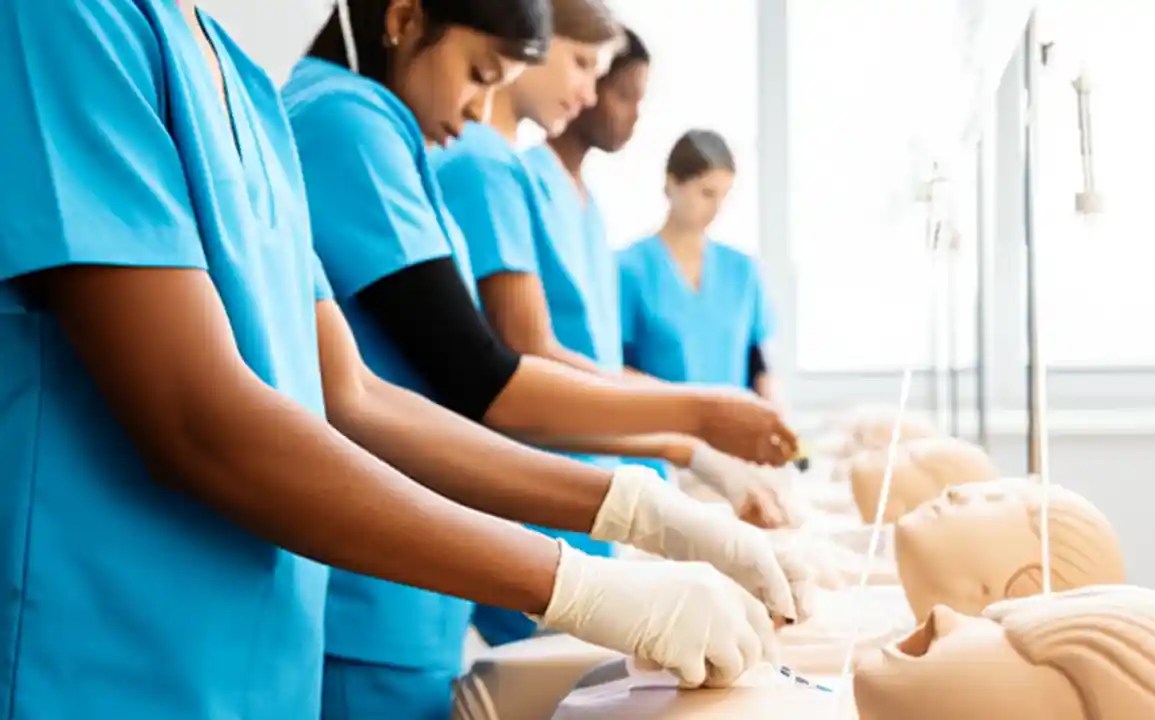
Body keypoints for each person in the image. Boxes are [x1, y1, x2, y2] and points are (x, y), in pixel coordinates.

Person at [0, 1, 795, 716]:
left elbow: (354, 396)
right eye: (479, 76)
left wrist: (641, 510)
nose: (481, 111)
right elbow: (197, 418)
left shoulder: (242, 88)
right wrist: (579, 582)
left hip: (264, 667)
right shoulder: (66, 22)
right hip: (103, 667)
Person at [285, 1, 803, 716]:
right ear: (403, 17)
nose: (474, 111)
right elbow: (472, 379)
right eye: (478, 74)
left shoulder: (379, 128)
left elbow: (395, 388)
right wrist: (684, 441)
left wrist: (662, 484)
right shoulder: (346, 123)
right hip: (371, 588)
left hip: (412, 581)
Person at [437, 1, 799, 644]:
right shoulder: (493, 171)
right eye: (589, 69)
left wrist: (690, 444)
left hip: (596, 494)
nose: (600, 95)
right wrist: (691, 428)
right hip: (536, 495)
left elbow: (599, 365)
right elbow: (522, 363)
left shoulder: (579, 204)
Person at [616, 129, 781, 403]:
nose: (716, 208)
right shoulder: (629, 269)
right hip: (662, 434)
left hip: (734, 434)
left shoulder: (743, 271)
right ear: (672, 184)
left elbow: (760, 367)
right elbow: (616, 367)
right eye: (706, 193)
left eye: (723, 196)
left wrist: (775, 419)